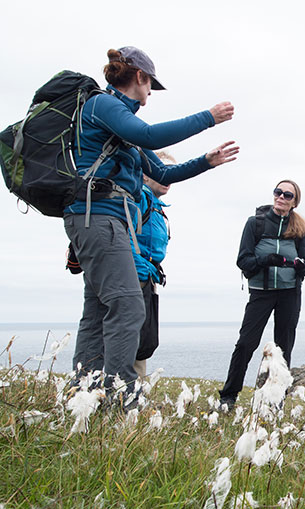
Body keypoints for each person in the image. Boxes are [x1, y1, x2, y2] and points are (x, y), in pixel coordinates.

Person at [63, 46, 238, 409]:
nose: (149, 95)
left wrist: (207, 161)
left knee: (98, 311)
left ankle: (84, 397)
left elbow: (161, 173)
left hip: (101, 220)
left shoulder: (119, 126)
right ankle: (120, 402)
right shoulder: (104, 105)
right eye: (150, 86)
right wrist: (208, 117)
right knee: (128, 308)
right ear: (140, 77)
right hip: (99, 218)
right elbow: (152, 137)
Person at [219, 180, 305, 411]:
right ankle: (228, 397)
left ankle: (276, 402)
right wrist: (267, 260)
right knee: (245, 344)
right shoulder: (255, 224)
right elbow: (243, 261)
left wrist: (302, 267)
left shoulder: (299, 229)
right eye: (278, 192)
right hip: (261, 293)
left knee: (283, 350)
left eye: (287, 195)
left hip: (290, 294)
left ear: (294, 202)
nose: (281, 197)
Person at [133, 151, 176, 379]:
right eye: (161, 172)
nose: (168, 178)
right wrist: (138, 266)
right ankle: (126, 392)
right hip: (134, 275)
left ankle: (133, 391)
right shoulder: (137, 197)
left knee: (145, 336)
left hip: (148, 276)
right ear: (145, 174)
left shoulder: (157, 206)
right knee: (134, 335)